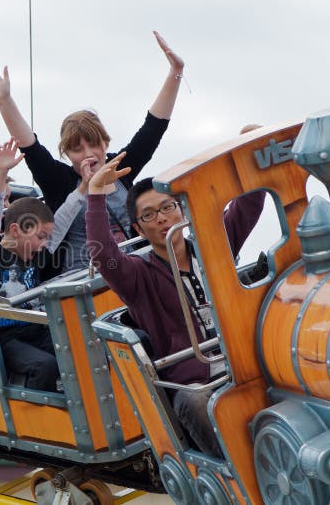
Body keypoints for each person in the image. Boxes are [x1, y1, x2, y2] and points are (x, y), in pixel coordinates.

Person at [85, 153, 265, 456]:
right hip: (196, 383)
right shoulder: (139, 275)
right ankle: (241, 477)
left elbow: (248, 205)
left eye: (167, 207)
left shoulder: (213, 246)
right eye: (149, 215)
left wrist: (250, 157)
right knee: (195, 402)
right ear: (139, 230)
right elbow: (104, 255)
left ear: (181, 211)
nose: (162, 217)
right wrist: (95, 197)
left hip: (241, 361)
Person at [0, 31, 185, 271]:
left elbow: (152, 129)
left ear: (105, 143)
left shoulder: (120, 167)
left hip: (133, 272)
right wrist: (4, 101)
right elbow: (29, 145)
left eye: (94, 144)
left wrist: (176, 72)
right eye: (76, 149)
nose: (88, 154)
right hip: (80, 282)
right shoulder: (59, 180)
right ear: (66, 154)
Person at [0, 139, 86, 391]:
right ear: (16, 230)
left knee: (82, 347)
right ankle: (32, 420)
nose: (46, 243)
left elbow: (64, 216)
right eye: (40, 237)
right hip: (5, 337)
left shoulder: (37, 253)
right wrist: (1, 172)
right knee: (45, 366)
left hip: (36, 329)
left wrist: (85, 186)